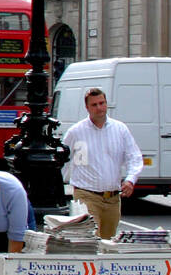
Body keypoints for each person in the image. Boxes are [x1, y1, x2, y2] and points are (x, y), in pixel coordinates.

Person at [61, 87, 142, 239]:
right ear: (87, 108)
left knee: (108, 243)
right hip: (86, 195)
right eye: (94, 105)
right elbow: (63, 160)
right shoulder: (76, 132)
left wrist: (130, 180)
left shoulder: (120, 129)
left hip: (112, 198)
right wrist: (62, 186)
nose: (99, 108)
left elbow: (134, 156)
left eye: (102, 103)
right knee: (89, 241)